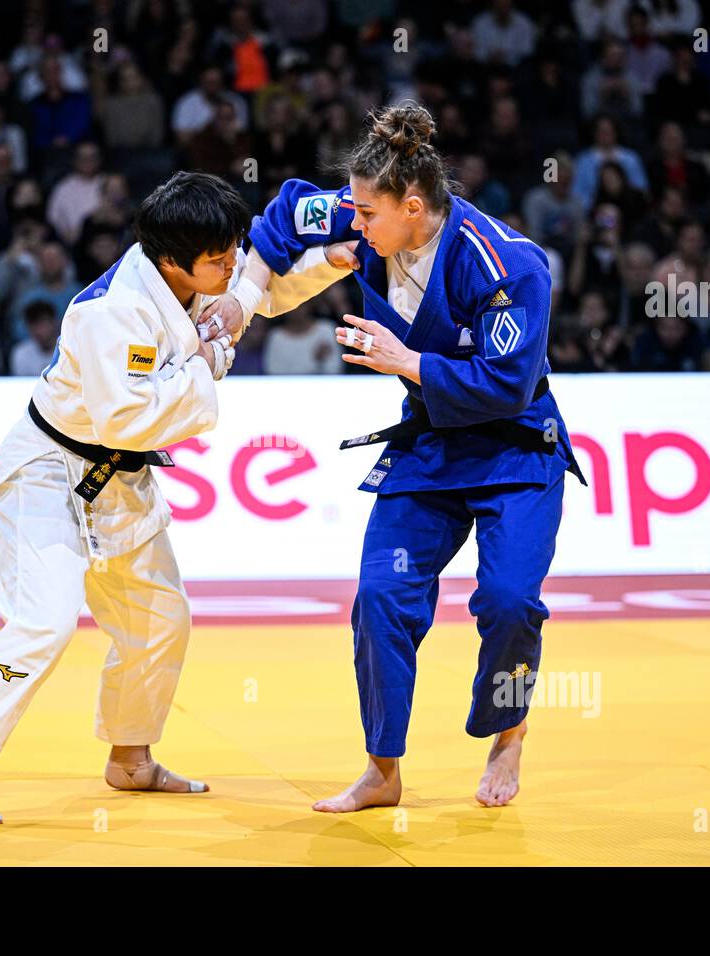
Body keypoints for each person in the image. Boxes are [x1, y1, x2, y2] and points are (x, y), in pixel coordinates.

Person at [201, 103, 586, 811]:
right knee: (380, 595)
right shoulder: (367, 208)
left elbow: (506, 384)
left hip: (516, 443)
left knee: (509, 601)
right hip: (432, 443)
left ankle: (509, 728)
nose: (356, 222)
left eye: (368, 216)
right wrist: (243, 297)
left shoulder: (508, 264)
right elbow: (286, 214)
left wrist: (407, 359)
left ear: (414, 208)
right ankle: (383, 768)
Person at [0, 172, 314, 824]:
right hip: (48, 476)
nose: (231, 265)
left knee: (161, 617)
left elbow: (251, 291)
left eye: (233, 251)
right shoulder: (114, 314)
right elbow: (126, 421)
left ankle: (129, 758)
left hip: (118, 481)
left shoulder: (189, 275)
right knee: (43, 623)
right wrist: (203, 362)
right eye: (218, 258)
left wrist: (330, 262)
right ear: (174, 260)